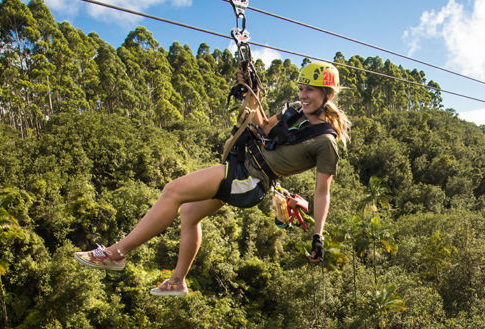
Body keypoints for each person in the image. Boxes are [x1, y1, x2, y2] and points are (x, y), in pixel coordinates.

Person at [73, 60, 351, 296]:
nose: (303, 95)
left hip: (250, 179)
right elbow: (262, 125)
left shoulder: (325, 142)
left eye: (310, 91)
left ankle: (115, 254)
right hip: (244, 168)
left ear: (327, 94)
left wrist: (318, 236)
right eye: (301, 89)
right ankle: (177, 281)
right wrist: (250, 93)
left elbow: (322, 192)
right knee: (189, 214)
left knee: (173, 191)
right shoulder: (293, 112)